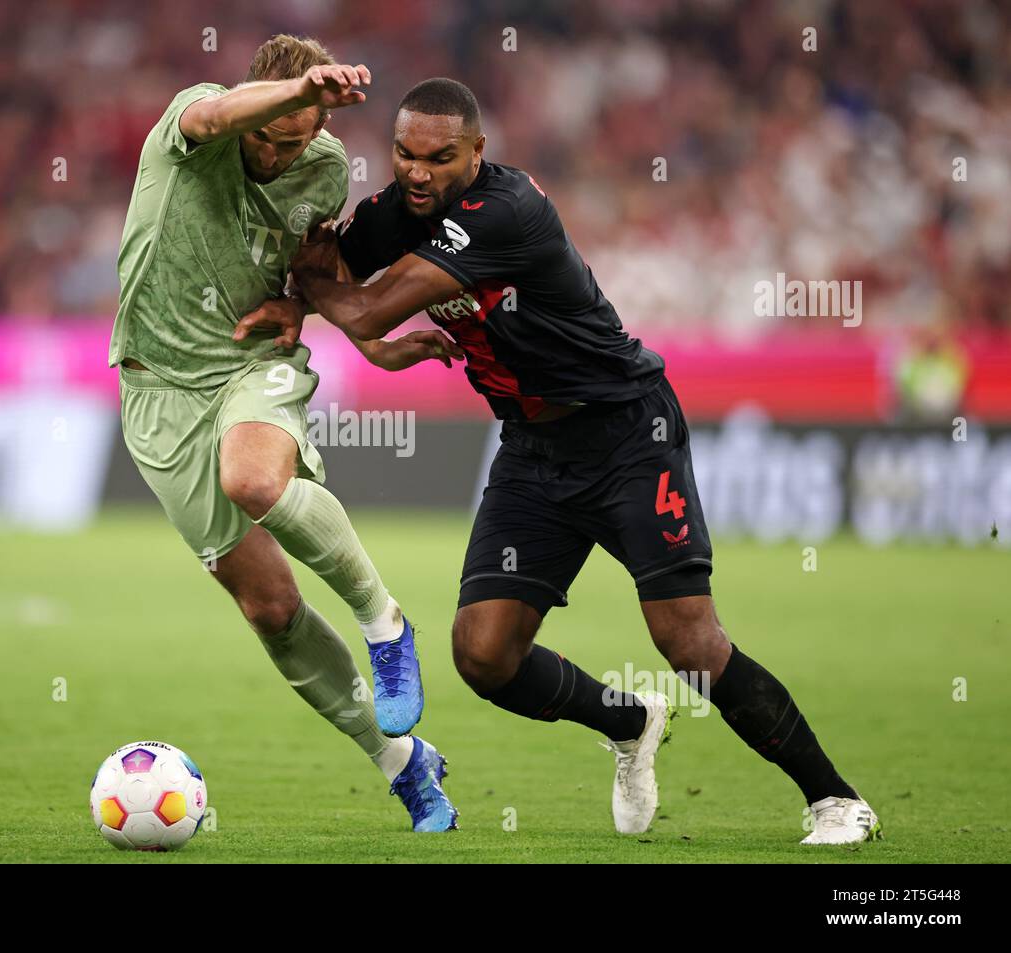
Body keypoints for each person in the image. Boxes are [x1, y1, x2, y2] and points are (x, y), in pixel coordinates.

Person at [248, 77, 877, 844]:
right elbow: (337, 270)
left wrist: (321, 295)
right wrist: (308, 298)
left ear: (477, 153)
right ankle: (628, 720)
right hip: (532, 448)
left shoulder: (504, 213)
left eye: (440, 158)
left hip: (623, 434)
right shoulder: (399, 212)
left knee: (688, 642)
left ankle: (835, 799)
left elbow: (365, 301)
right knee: (483, 654)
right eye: (405, 155)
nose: (418, 172)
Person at [110, 40, 459, 831]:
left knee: (255, 480)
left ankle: (386, 624)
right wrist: (294, 90)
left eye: (294, 139)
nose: (273, 152)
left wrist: (362, 336)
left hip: (249, 364)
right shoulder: (198, 118)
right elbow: (220, 116)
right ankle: (403, 761)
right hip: (156, 397)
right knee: (270, 607)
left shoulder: (326, 170)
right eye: (267, 135)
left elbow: (310, 275)